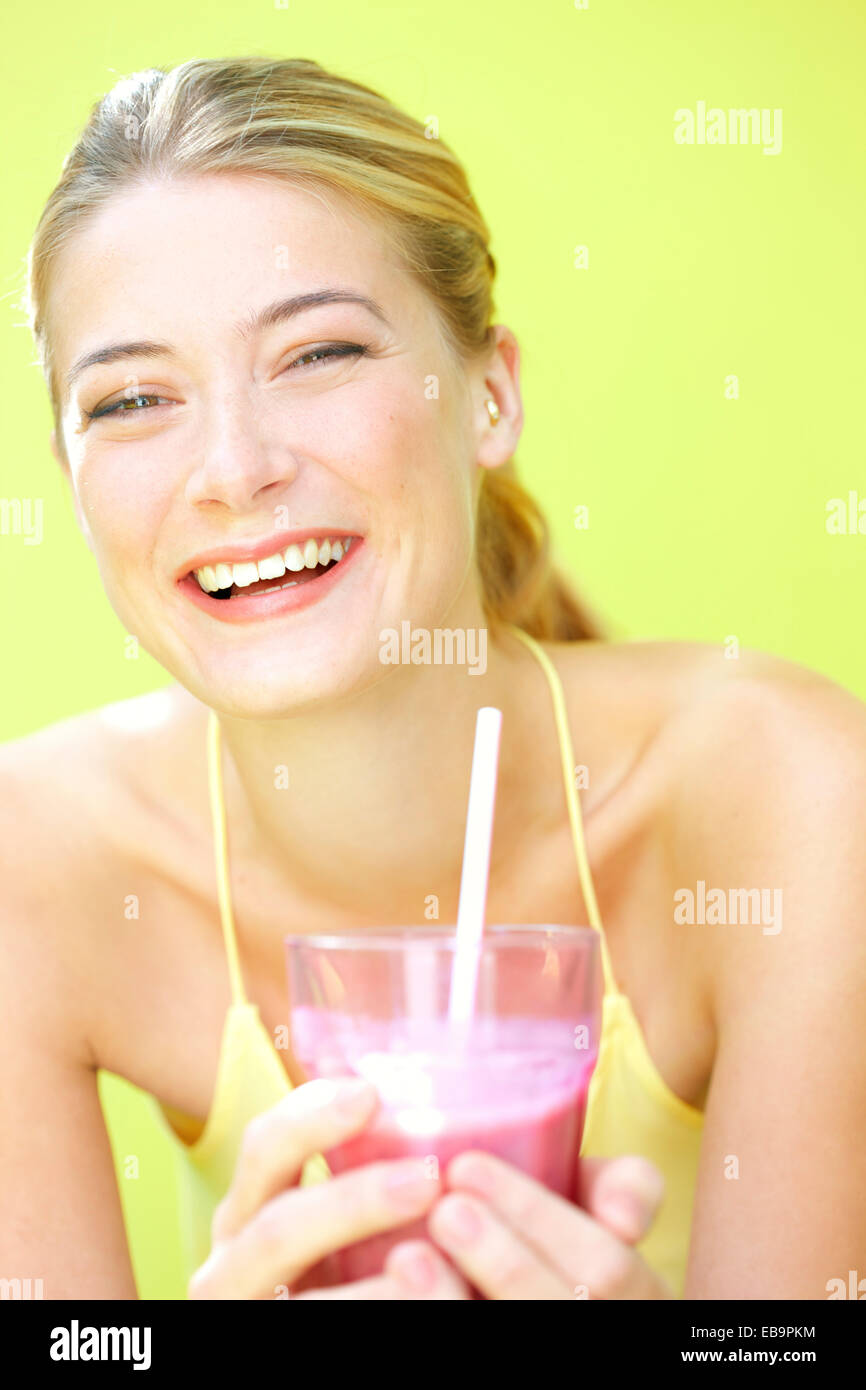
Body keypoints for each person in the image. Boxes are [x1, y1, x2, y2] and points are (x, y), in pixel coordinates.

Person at [3, 55, 865, 1302]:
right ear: (71, 479)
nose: (232, 470)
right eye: (133, 398)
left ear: (488, 395)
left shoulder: (789, 800)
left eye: (317, 354)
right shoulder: (32, 863)